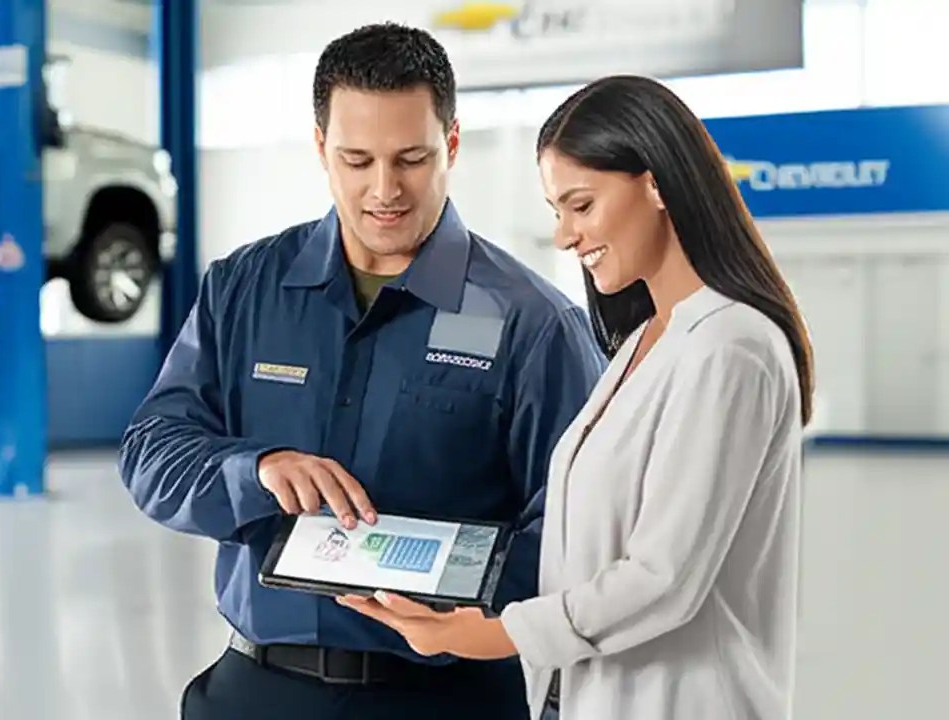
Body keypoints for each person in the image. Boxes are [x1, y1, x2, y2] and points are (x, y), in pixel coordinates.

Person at [117, 22, 605, 720]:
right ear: (320, 148)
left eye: (411, 158)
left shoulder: (534, 323)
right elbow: (151, 453)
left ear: (452, 145)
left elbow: (578, 534)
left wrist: (465, 585)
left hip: (445, 697)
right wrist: (256, 472)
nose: (385, 190)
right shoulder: (243, 289)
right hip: (258, 687)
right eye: (356, 159)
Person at [340, 74, 814, 720]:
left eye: (581, 205)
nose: (564, 236)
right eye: (556, 211)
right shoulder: (645, 339)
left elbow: (662, 579)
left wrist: (489, 633)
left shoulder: (729, 345)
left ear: (656, 184)